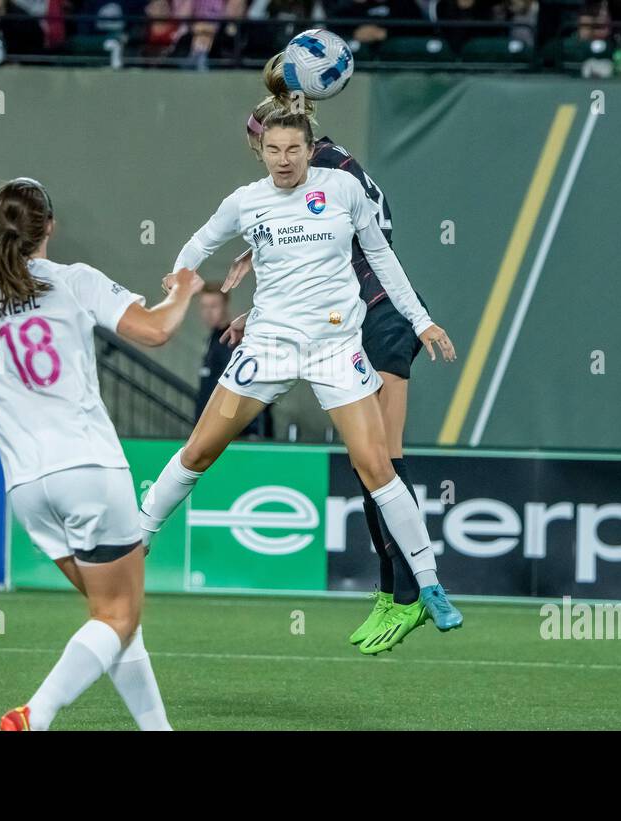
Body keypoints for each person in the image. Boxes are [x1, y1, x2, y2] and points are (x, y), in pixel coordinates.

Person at [138, 111, 465, 657]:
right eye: (274, 150)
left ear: (311, 150)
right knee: (199, 450)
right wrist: (178, 282)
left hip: (336, 350)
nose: (283, 159)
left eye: (294, 149)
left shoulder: (341, 189)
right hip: (268, 348)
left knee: (376, 465)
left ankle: (428, 583)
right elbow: (198, 245)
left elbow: (381, 258)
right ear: (261, 151)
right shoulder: (246, 201)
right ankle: (140, 535)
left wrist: (419, 319)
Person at [0, 178, 204, 731]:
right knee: (119, 614)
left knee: (111, 618)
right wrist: (183, 289)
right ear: (50, 228)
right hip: (88, 470)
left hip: (28, 491)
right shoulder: (74, 281)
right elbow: (157, 331)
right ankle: (34, 717)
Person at [217, 62, 445, 655]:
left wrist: (280, 86)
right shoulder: (320, 170)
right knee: (371, 466)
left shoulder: (324, 168)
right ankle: (393, 593)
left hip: (383, 317)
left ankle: (406, 597)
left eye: (273, 144)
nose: (269, 155)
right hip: (357, 315)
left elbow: (356, 249)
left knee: (382, 464)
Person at [195, 288, 269, 437]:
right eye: (204, 306)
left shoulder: (234, 339)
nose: (208, 312)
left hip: (232, 433)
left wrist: (230, 429)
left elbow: (242, 385)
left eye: (214, 306)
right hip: (213, 429)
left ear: (225, 305)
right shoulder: (213, 339)